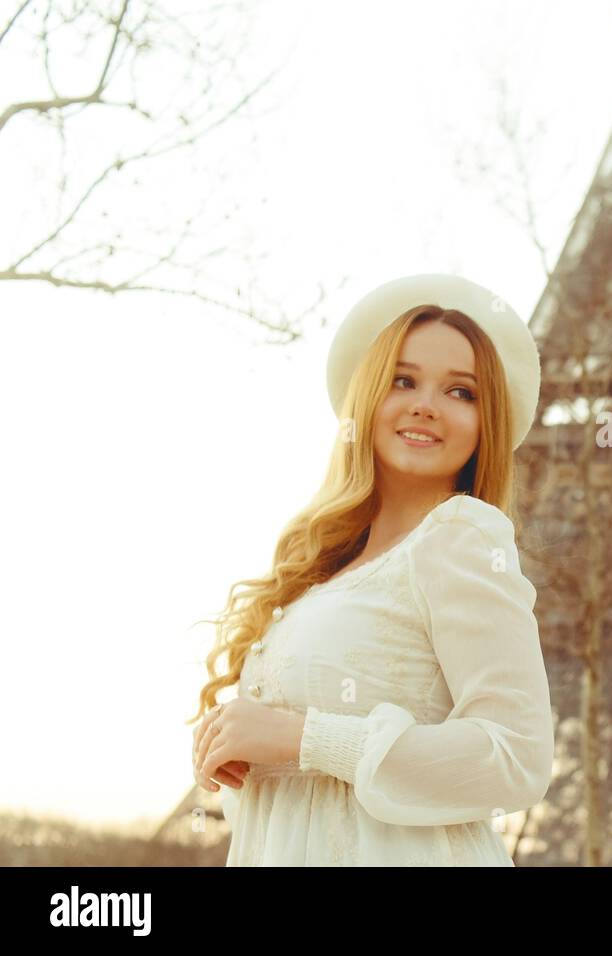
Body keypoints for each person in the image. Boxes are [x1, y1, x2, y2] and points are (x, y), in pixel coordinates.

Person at [187, 274, 553, 865]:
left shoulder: (458, 539)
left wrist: (304, 738)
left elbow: (517, 757)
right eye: (402, 380)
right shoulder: (323, 569)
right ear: (368, 398)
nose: (426, 405)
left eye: (462, 392)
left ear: (487, 426)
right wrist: (234, 746)